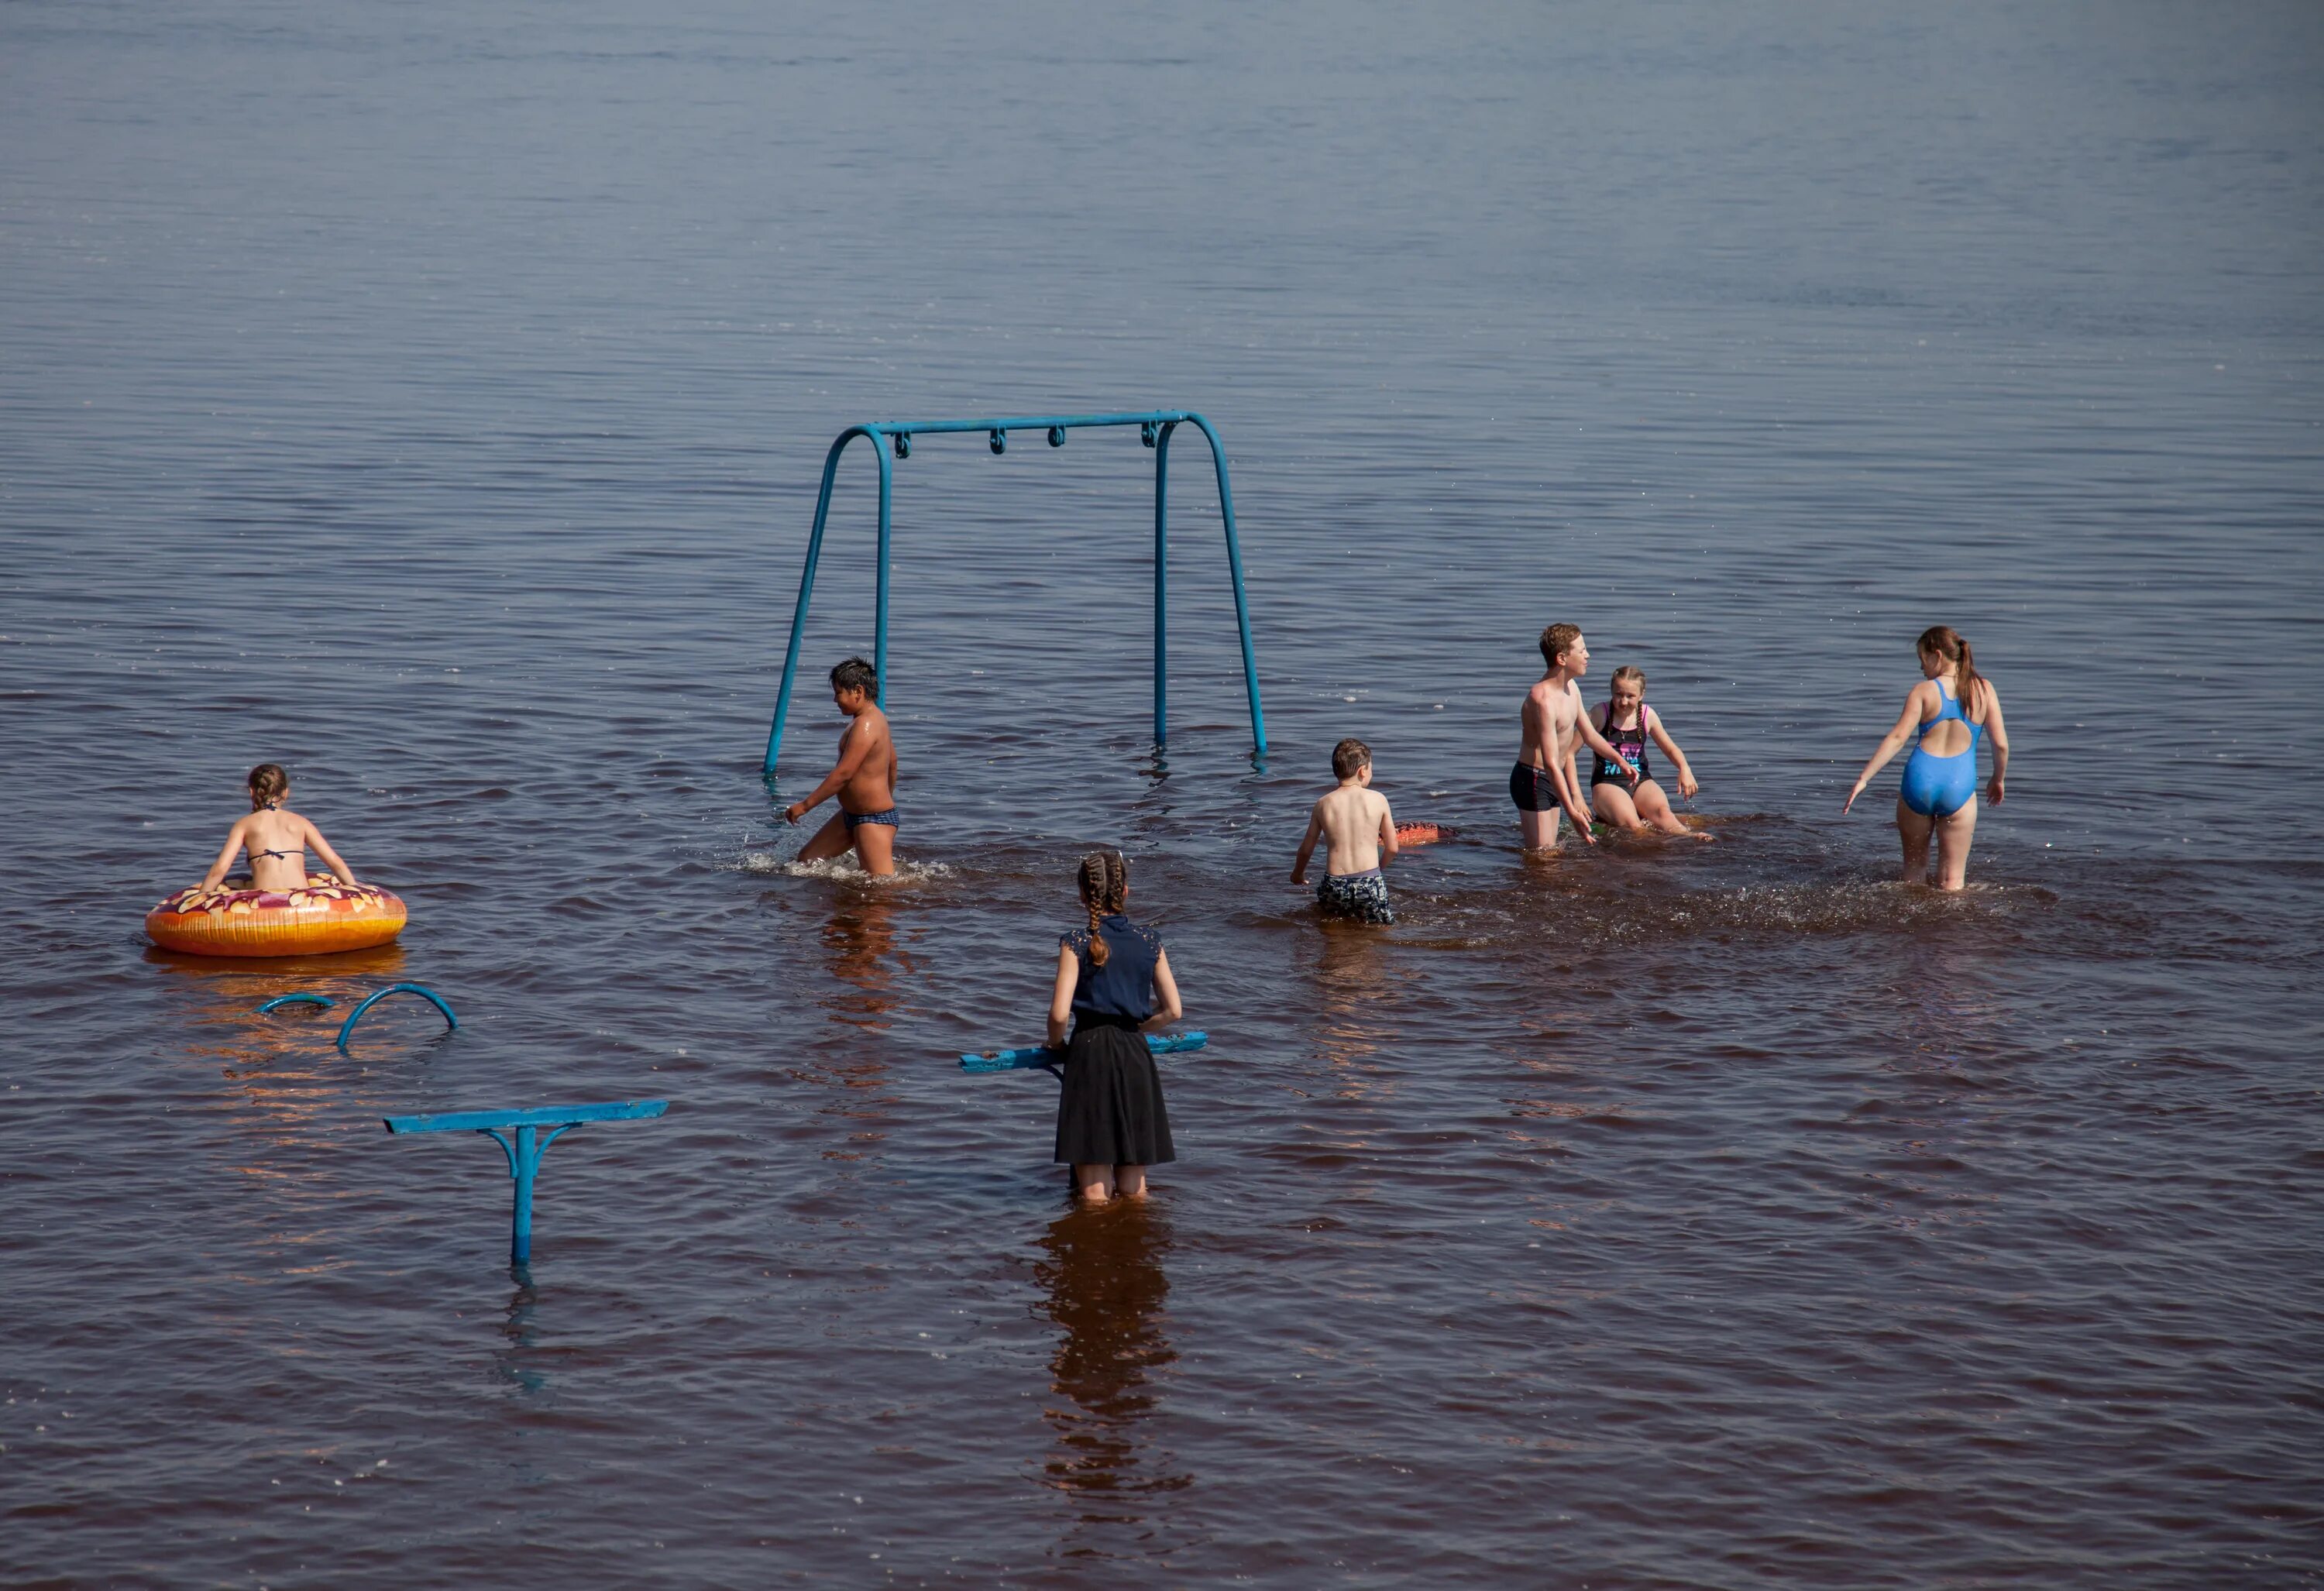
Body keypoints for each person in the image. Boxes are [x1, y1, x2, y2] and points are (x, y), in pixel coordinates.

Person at [1046, 850, 1182, 1204]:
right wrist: (1139, 1026)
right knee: (1135, 1186)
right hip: (1136, 1051)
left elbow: (1060, 1014)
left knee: (1093, 1190)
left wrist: (1057, 1045)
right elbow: (1174, 1011)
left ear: (1081, 893)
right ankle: (1135, 1250)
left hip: (1090, 1052)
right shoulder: (1150, 940)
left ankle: (1095, 1251)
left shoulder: (1075, 942)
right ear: (1125, 892)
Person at [1843, 626, 2010, 890]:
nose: (1922, 669)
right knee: (1953, 881)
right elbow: (2000, 745)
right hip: (1959, 786)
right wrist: (1997, 779)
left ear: (1938, 655)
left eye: (1923, 661)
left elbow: (1897, 738)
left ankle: (1910, 928)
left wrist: (1864, 778)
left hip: (1919, 783)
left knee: (1913, 872)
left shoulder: (1924, 691)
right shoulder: (1984, 689)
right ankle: (1951, 931)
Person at [1512, 623, 1635, 852]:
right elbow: (1550, 762)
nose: (1588, 655)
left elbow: (1589, 735)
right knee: (1542, 856)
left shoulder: (1572, 688)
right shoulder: (1543, 700)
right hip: (1534, 779)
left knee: (1551, 851)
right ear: (1562, 658)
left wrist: (1620, 760)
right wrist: (1573, 812)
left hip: (1553, 778)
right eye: (1582, 650)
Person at [784, 656, 899, 876]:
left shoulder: (867, 724)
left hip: (872, 818)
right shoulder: (871, 720)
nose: (835, 700)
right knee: (806, 862)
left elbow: (844, 774)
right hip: (850, 815)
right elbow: (892, 762)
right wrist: (887, 794)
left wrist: (805, 805)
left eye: (838, 693)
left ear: (858, 691)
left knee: (881, 888)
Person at [1590, 666, 1712, 840]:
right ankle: (1652, 850)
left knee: (1663, 813)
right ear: (1611, 691)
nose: (1623, 702)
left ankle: (1689, 836)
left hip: (1641, 781)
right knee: (1634, 826)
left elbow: (1670, 748)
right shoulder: (1599, 714)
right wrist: (1576, 798)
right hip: (1607, 784)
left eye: (1630, 696)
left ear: (1641, 695)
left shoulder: (1648, 715)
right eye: (1618, 694)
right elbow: (1570, 751)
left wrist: (1684, 769)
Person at [201, 763, 360, 893]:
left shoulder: (244, 824)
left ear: (251, 792)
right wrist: (356, 890)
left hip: (265, 902)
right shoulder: (300, 822)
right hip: (301, 898)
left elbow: (220, 869)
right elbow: (334, 862)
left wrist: (198, 898)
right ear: (285, 792)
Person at [1290, 737, 1400, 923]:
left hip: (1335, 882)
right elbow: (1393, 848)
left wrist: (1298, 873)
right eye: (1371, 769)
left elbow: (1306, 849)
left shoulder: (1323, 803)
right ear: (1362, 771)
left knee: (1333, 925)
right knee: (1381, 927)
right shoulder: (1378, 799)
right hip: (1369, 880)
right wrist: (1378, 870)